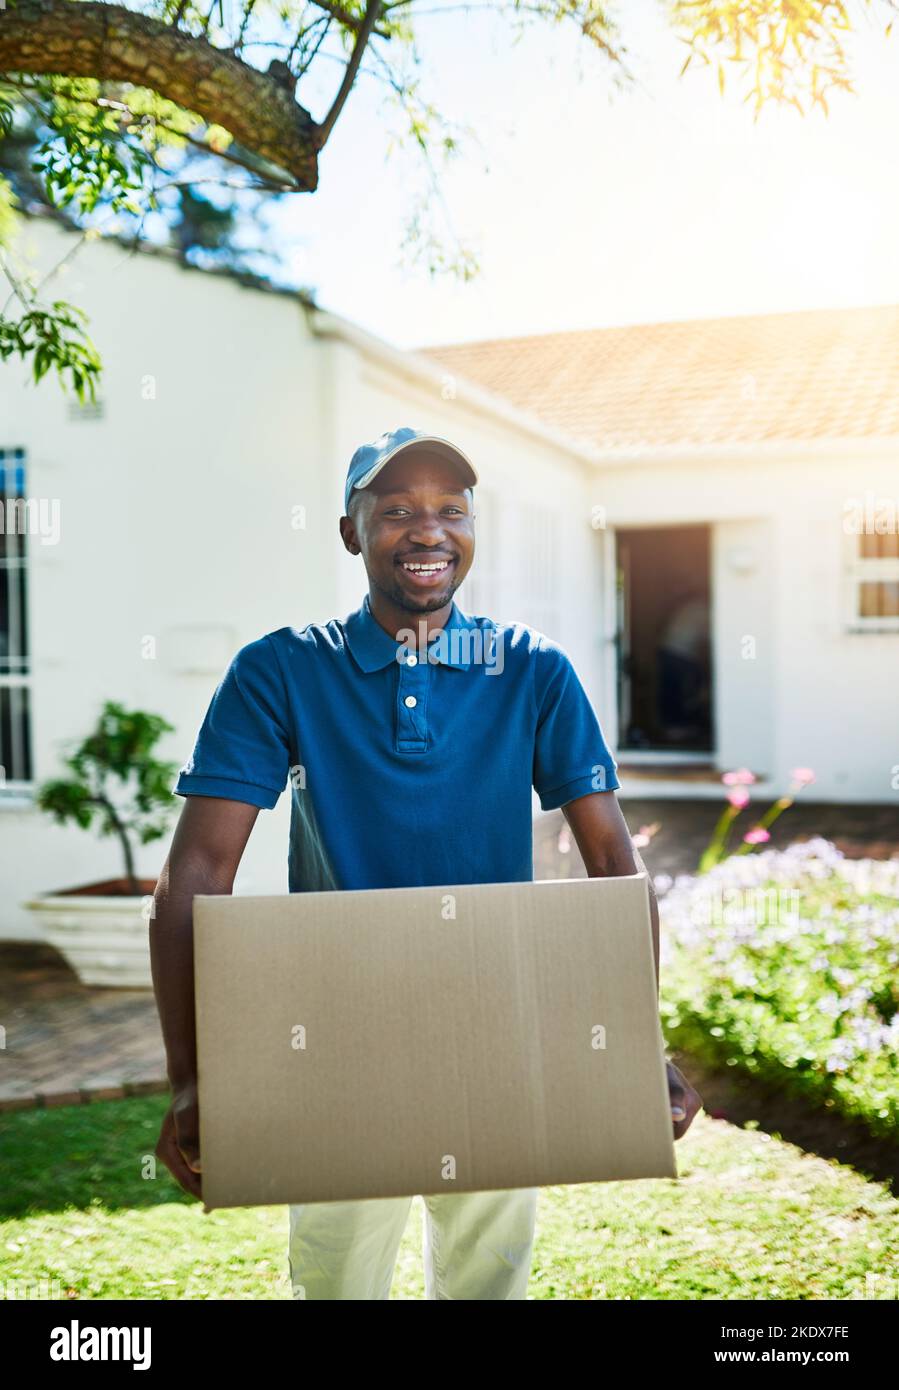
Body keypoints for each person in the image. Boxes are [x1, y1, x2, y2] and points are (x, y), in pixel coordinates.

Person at [151, 425, 702, 1301]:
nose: (428, 530)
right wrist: (193, 1077)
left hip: (499, 1030)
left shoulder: (533, 671)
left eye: (452, 509)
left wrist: (637, 1045)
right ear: (349, 531)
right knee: (338, 1287)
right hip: (329, 1039)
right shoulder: (279, 671)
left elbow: (612, 863)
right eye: (396, 510)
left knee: (489, 1285)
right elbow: (194, 879)